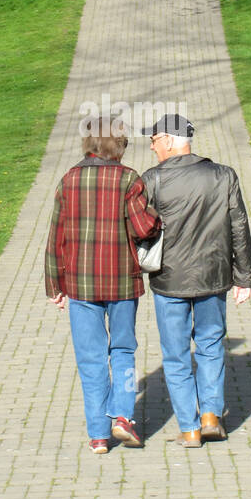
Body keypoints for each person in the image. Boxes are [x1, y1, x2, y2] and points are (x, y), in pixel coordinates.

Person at [45, 117, 160, 452]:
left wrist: (56, 285)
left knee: (90, 359)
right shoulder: (129, 180)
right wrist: (158, 217)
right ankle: (123, 415)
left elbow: (56, 238)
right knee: (122, 350)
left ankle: (98, 435)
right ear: (119, 145)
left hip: (80, 285)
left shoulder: (69, 180)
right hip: (122, 283)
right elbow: (143, 228)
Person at [142, 114, 251, 447]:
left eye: (155, 140)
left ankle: (190, 428)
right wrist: (243, 277)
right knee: (210, 346)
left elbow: (137, 229)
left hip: (168, 281)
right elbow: (239, 229)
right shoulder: (223, 176)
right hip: (213, 278)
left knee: (175, 356)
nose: (152, 147)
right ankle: (210, 416)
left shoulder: (152, 180)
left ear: (171, 140)